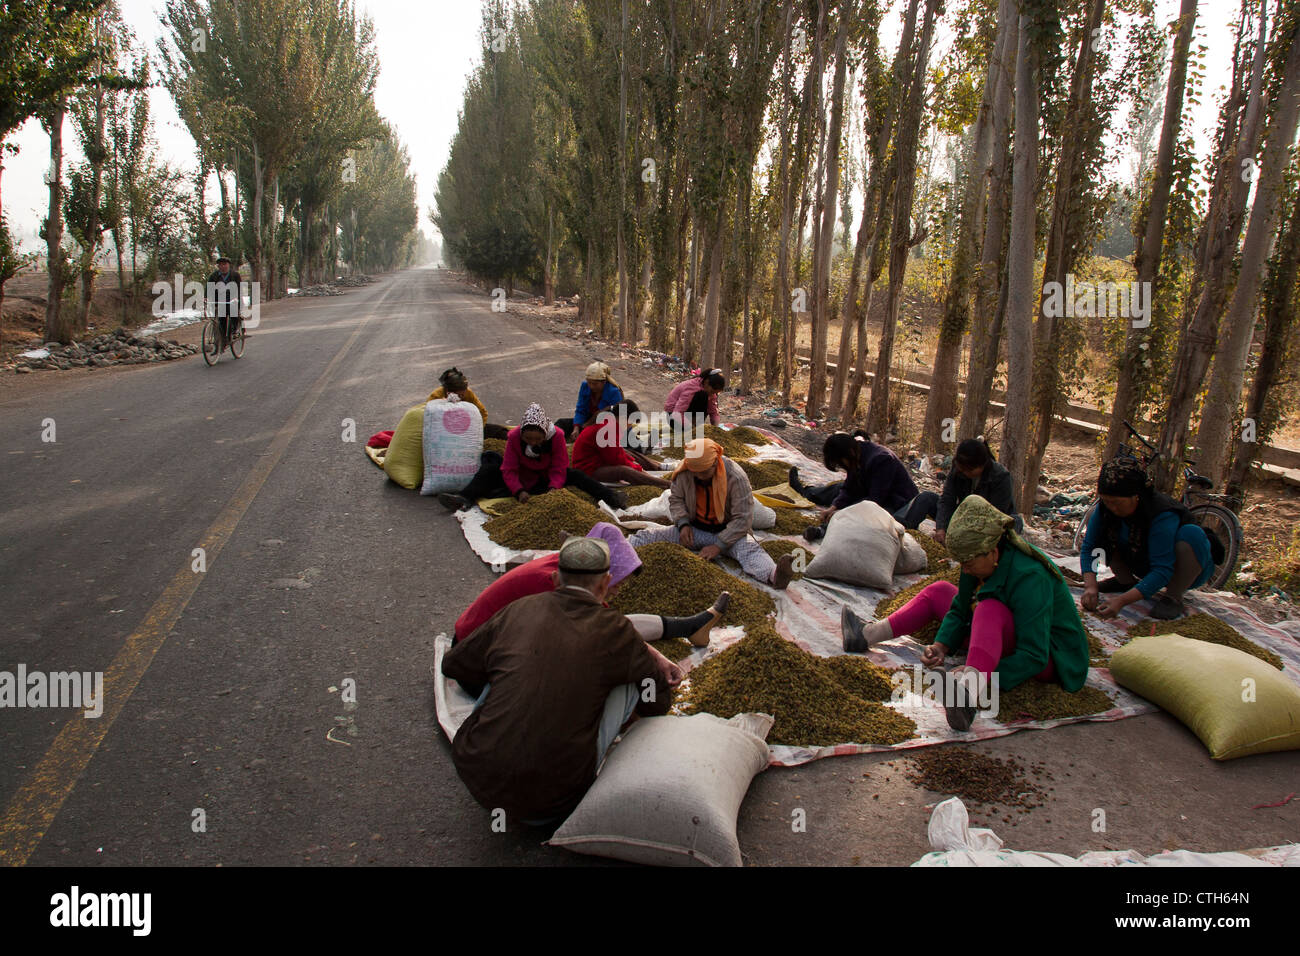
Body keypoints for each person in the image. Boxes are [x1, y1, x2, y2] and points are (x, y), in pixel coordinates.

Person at [441, 536, 681, 825]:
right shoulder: (616, 630)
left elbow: (455, 663)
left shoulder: (519, 609)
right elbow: (655, 698)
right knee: (629, 680)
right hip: (555, 801)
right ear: (605, 583)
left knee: (508, 661)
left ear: (555, 578)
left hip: (478, 777)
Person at [841, 495, 1089, 731]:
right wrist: (941, 646)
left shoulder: (1030, 576)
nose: (965, 571)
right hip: (998, 635)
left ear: (992, 551)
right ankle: (866, 634)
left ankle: (968, 695)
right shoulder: (976, 563)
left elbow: (1034, 654)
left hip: (1048, 658)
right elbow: (960, 609)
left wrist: (984, 675)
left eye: (968, 564)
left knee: (987, 609)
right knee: (940, 591)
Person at [454, 522, 730, 649]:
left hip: (486, 637)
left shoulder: (570, 569)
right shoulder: (552, 586)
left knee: (607, 625)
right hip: (475, 647)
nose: (617, 588)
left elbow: (608, 623)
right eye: (616, 580)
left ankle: (690, 626)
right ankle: (690, 626)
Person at [628, 438, 797, 590]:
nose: (699, 476)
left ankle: (775, 575)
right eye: (696, 472)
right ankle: (620, 550)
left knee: (750, 550)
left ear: (715, 463)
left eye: (704, 472)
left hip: (729, 534)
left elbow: (743, 518)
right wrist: (683, 523)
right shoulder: (685, 472)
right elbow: (676, 500)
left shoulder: (735, 477)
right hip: (695, 530)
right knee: (649, 536)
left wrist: (719, 546)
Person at [1078, 458, 1214, 621]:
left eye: (1117, 503)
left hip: (1181, 568)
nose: (1112, 507)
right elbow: (1090, 548)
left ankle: (1173, 597)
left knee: (1192, 534)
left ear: (1136, 496)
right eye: (1107, 501)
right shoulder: (1104, 510)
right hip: (1142, 562)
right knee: (1099, 520)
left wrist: (1122, 601)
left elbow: (1163, 569)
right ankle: (1125, 582)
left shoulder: (1161, 513)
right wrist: (1091, 587)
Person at [437, 402, 626, 510]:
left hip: (546, 478)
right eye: (528, 438)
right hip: (521, 477)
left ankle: (613, 499)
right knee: (491, 465)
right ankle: (463, 498)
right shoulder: (513, 437)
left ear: (545, 434)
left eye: (538, 439)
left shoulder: (558, 436)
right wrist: (519, 491)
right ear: (522, 434)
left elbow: (559, 467)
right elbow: (509, 469)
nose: (533, 443)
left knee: (577, 475)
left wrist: (554, 488)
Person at [798, 432, 920, 542]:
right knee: (837, 489)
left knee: (861, 515)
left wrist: (844, 512)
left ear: (850, 453)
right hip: (869, 491)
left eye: (841, 462)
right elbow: (849, 488)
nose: (842, 466)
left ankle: (822, 531)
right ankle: (806, 491)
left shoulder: (882, 459)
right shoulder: (857, 455)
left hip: (897, 503)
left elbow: (875, 500)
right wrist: (833, 507)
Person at [903, 437, 1022, 539]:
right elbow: (947, 500)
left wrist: (965, 535)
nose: (964, 473)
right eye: (961, 470)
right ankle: (904, 531)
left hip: (988, 524)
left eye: (968, 470)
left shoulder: (1000, 477)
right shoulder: (958, 470)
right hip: (962, 518)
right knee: (926, 498)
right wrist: (941, 528)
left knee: (1014, 522)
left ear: (982, 465)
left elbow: (995, 515)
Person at [570, 401, 671, 490]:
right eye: (630, 423)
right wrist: (638, 469)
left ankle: (659, 467)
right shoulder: (608, 428)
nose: (629, 427)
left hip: (598, 461)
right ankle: (666, 484)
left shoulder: (611, 423)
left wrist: (633, 462)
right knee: (623, 471)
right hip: (587, 470)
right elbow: (615, 460)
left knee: (627, 452)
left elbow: (617, 453)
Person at [425, 367, 508, 440]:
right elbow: (429, 419)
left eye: (463, 394)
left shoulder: (468, 393)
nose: (462, 396)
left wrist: (477, 431)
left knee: (502, 433)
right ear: (448, 392)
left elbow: (482, 412)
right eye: (459, 395)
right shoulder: (436, 397)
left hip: (469, 429)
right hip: (445, 433)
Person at [556, 362, 626, 438]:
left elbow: (619, 417)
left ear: (604, 382)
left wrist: (591, 425)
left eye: (595, 384)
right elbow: (581, 409)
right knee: (561, 424)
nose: (592, 386)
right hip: (588, 420)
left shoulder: (614, 392)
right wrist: (576, 427)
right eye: (589, 383)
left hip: (605, 425)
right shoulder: (585, 386)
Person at [206, 256, 242, 345]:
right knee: (221, 320)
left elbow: (240, 288)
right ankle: (223, 340)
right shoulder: (213, 276)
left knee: (232, 311)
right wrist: (206, 297)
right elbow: (208, 288)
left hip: (233, 299)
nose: (223, 266)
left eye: (224, 264)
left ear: (228, 265)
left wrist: (236, 298)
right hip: (220, 300)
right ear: (218, 266)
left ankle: (235, 330)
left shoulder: (235, 275)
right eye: (220, 265)